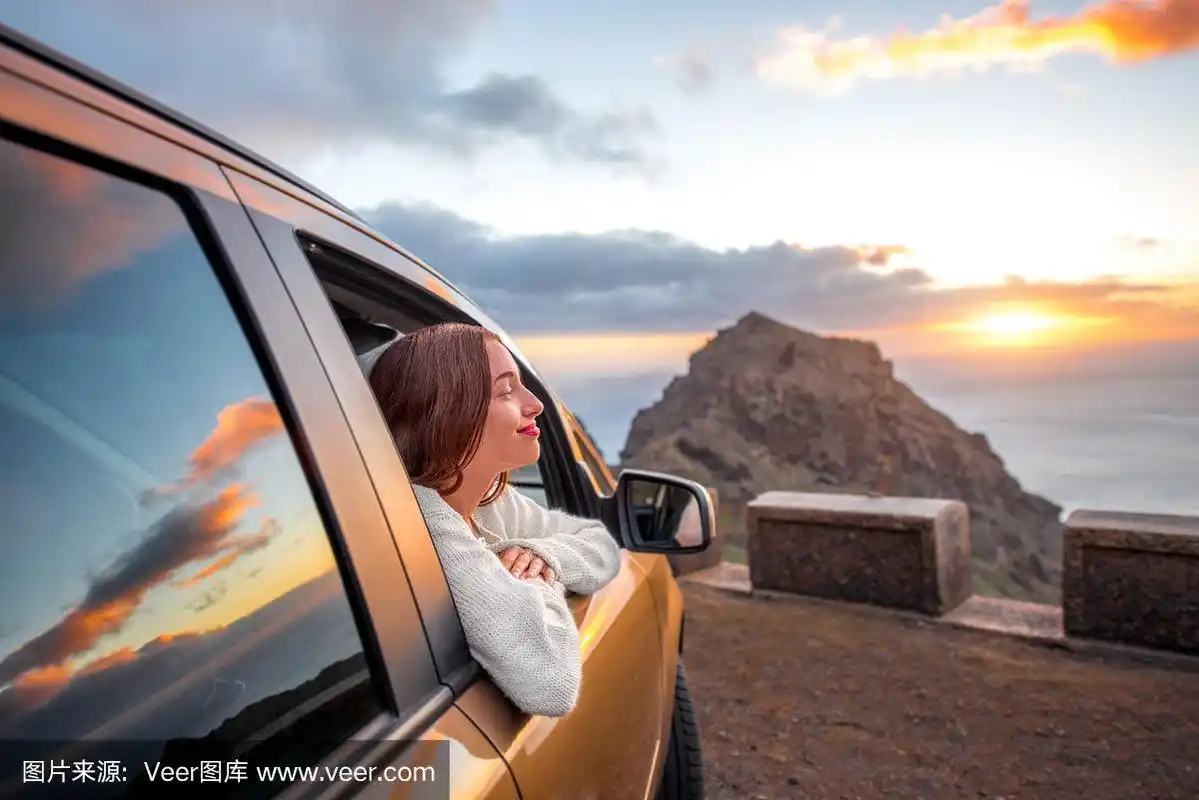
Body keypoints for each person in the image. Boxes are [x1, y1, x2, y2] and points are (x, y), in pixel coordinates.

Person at [368, 322, 621, 718]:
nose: (535, 403)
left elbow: (601, 545)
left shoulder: (486, 500)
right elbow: (551, 685)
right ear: (449, 412)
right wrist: (536, 579)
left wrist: (542, 554)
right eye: (506, 390)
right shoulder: (426, 526)